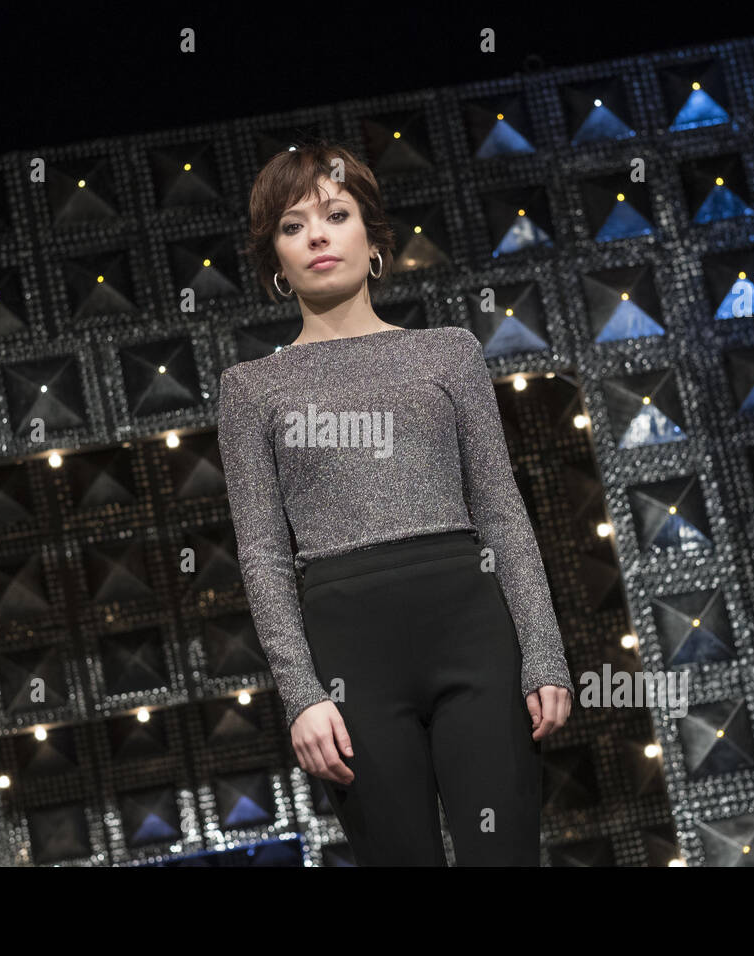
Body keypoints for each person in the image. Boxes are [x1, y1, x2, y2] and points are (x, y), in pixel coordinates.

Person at [216, 140, 573, 866]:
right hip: (349, 655)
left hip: (473, 636)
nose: (317, 235)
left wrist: (545, 653)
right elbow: (260, 553)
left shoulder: (448, 353)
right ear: (273, 262)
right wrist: (301, 694)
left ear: (374, 241)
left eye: (336, 214)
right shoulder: (250, 388)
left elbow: (502, 509)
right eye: (292, 225)